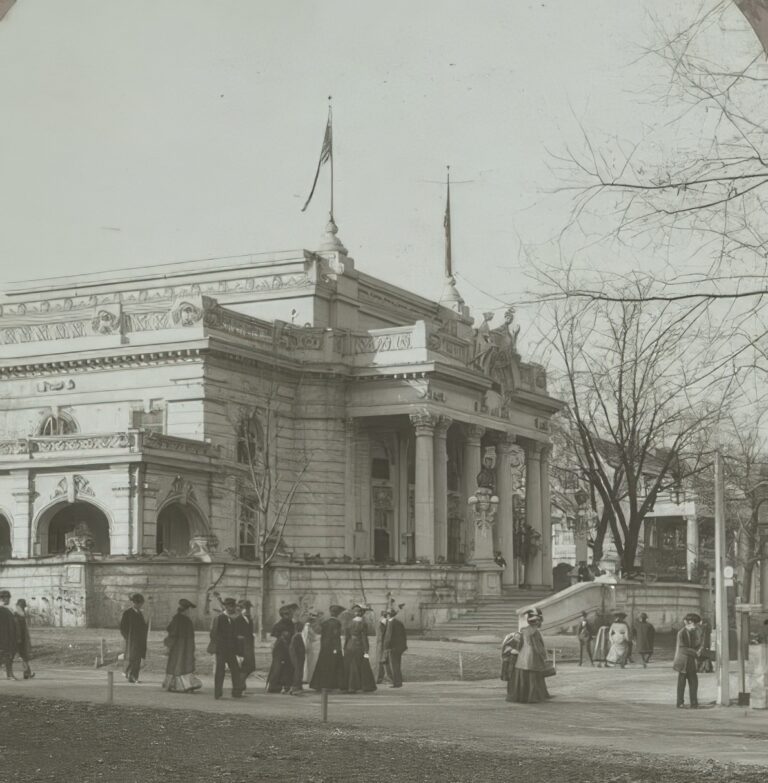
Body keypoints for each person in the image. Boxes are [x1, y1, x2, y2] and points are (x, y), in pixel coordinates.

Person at [505, 608, 551, 703]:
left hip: (522, 658)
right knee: (533, 677)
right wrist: (544, 656)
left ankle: (522, 696)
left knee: (523, 676)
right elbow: (538, 647)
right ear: (537, 622)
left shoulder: (523, 630)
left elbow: (520, 644)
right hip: (533, 658)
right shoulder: (536, 633)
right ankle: (533, 696)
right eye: (539, 621)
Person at [162, 598, 201, 693]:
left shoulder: (180, 619)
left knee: (179, 663)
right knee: (182, 663)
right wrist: (169, 645)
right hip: (180, 647)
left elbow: (171, 631)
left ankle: (177, 685)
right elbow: (173, 633)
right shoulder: (181, 620)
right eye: (189, 610)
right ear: (187, 610)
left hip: (182, 646)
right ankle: (183, 685)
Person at [209, 597, 244, 699]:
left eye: (233, 606)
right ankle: (218, 693)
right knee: (220, 671)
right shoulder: (219, 618)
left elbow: (235, 636)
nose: (232, 608)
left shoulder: (232, 620)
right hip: (221, 649)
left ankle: (236, 692)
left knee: (235, 670)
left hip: (231, 650)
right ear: (226, 607)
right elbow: (213, 634)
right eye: (229, 606)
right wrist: (216, 647)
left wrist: (237, 648)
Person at [342, 605, 377, 693]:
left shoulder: (349, 623)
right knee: (361, 665)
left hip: (350, 646)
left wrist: (345, 647)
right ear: (361, 614)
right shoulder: (363, 624)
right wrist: (366, 650)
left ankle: (349, 686)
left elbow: (347, 637)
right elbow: (364, 637)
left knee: (350, 666)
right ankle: (360, 686)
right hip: (359, 646)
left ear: (355, 614)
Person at [310, 604, 346, 691]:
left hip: (324, 648)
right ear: (338, 614)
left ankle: (319, 684)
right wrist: (337, 649)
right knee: (334, 666)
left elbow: (318, 631)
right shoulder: (337, 623)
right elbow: (335, 637)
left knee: (323, 665)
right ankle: (333, 685)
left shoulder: (325, 623)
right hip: (333, 648)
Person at [120, 593, 148, 684]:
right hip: (131, 641)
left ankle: (132, 675)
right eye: (139, 603)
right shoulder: (128, 613)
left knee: (138, 658)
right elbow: (123, 627)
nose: (140, 605)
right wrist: (127, 637)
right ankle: (132, 676)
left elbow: (142, 626)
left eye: (141, 604)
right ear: (135, 603)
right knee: (132, 658)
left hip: (140, 640)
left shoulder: (140, 613)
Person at [674, 613, 701, 708]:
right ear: (689, 622)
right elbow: (682, 648)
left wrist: (699, 650)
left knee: (694, 682)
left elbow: (698, 644)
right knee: (681, 683)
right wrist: (695, 652)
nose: (696, 625)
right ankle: (680, 702)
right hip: (683, 661)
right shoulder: (681, 633)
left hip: (692, 661)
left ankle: (694, 703)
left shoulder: (696, 632)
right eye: (695, 623)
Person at [383, 606, 408, 688]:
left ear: (388, 615)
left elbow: (389, 637)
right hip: (398, 647)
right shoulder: (397, 622)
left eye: (386, 614)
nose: (386, 616)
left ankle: (396, 682)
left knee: (394, 665)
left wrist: (386, 647)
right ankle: (398, 681)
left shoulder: (391, 623)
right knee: (396, 665)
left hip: (393, 648)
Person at [234, 600, 256, 689]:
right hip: (241, 647)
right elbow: (235, 634)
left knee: (250, 667)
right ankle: (240, 685)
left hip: (249, 646)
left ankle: (241, 683)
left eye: (248, 608)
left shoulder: (249, 619)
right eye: (245, 608)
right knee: (244, 666)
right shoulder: (238, 619)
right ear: (240, 609)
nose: (247, 610)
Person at [267, 627, 294, 694]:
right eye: (286, 632)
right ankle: (274, 687)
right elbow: (279, 652)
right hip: (280, 660)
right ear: (282, 633)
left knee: (280, 673)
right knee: (278, 672)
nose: (288, 634)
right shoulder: (281, 641)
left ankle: (277, 687)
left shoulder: (283, 641)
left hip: (282, 660)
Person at [12, 599, 33, 680]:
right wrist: (19, 638)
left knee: (24, 656)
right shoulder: (17, 615)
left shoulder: (20, 615)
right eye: (22, 606)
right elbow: (17, 628)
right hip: (19, 638)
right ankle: (27, 673)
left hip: (22, 638)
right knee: (22, 655)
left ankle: (27, 673)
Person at [0, 591, 17, 679]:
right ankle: (9, 674)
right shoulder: (2, 609)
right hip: (4, 637)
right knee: (6, 655)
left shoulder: (8, 609)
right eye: (8, 598)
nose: (9, 599)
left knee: (8, 655)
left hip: (10, 636)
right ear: (2, 598)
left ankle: (9, 674)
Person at [302, 612, 320, 686]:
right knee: (310, 662)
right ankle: (308, 678)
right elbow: (312, 637)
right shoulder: (307, 626)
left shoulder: (308, 626)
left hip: (310, 645)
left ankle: (309, 677)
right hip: (310, 646)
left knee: (310, 662)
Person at [288, 621, 306, 695]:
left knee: (298, 671)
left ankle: (298, 685)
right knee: (298, 671)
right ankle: (296, 686)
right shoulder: (298, 636)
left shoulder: (295, 636)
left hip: (297, 656)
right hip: (298, 657)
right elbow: (297, 648)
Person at [375, 610, 389, 684]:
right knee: (383, 661)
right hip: (382, 644)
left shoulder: (379, 622)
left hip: (380, 644)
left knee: (380, 661)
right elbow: (383, 635)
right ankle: (381, 678)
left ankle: (379, 678)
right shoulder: (383, 623)